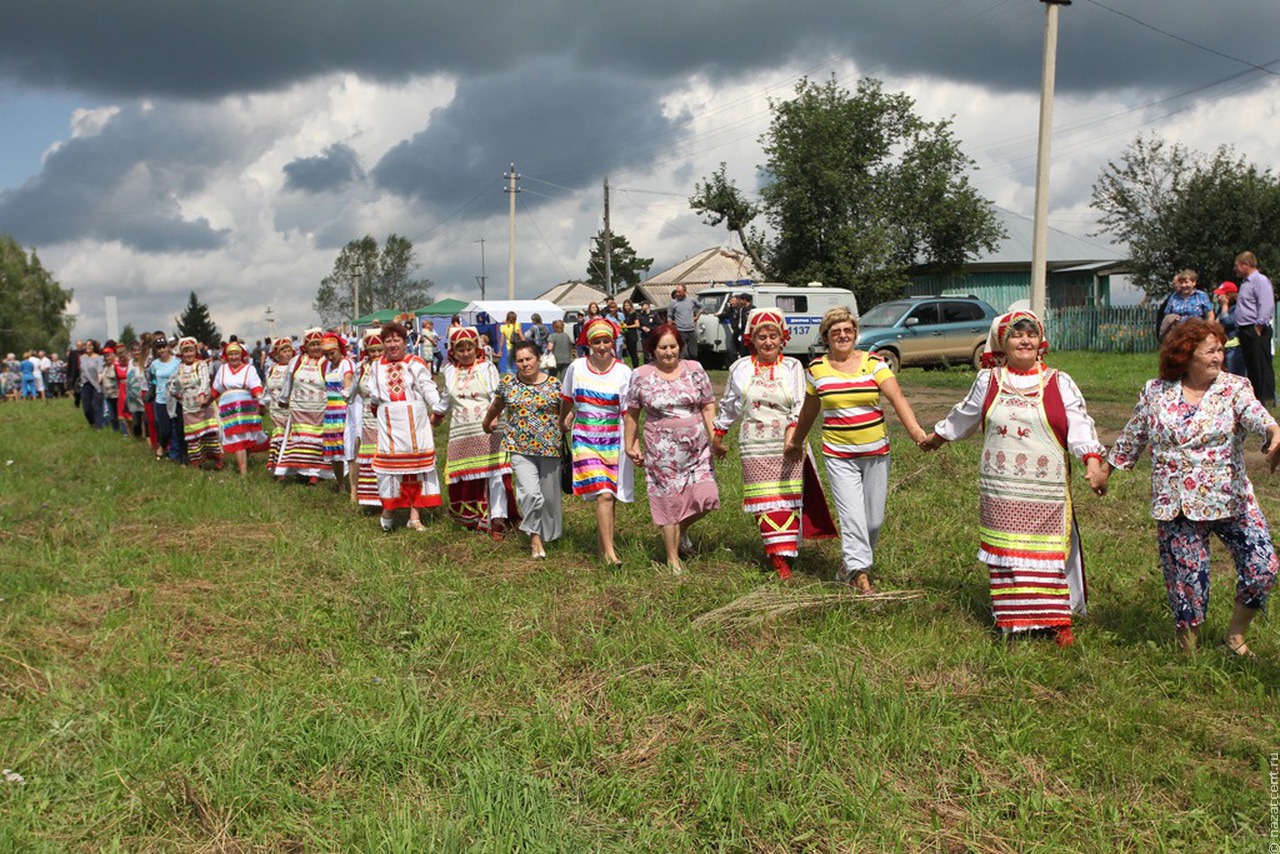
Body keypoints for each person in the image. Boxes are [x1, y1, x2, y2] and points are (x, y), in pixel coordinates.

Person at [922, 310, 1106, 646]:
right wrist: (938, 437)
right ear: (1002, 344)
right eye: (1017, 336)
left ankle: (1055, 622)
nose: (1025, 341)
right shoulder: (988, 380)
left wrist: (1091, 461)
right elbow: (964, 414)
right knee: (1008, 553)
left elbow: (1079, 423)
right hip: (1002, 487)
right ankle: (1013, 621)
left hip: (1046, 489)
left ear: (1040, 342)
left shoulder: (1059, 381)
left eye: (1031, 335)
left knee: (1047, 554)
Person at [1101, 319, 1279, 656]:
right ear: (1186, 354)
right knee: (1187, 580)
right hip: (1177, 501)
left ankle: (1235, 636)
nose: (1218, 357)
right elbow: (1134, 433)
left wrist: (1273, 430)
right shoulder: (1156, 391)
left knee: (1263, 566)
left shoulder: (1235, 387)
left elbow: (1256, 414)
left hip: (1230, 498)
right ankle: (1188, 655)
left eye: (1219, 350)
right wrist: (1106, 471)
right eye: (1210, 351)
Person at [787, 306, 927, 592]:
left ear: (855, 334)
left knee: (873, 521)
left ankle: (848, 565)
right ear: (826, 338)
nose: (842, 335)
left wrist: (916, 433)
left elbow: (896, 397)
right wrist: (796, 441)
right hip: (839, 456)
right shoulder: (817, 369)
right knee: (852, 517)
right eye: (835, 331)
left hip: (876, 453)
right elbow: (809, 410)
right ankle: (858, 575)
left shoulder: (874, 362)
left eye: (847, 330)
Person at [713, 309, 838, 580]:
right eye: (762, 337)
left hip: (788, 443)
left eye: (773, 336)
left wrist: (792, 438)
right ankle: (778, 558)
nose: (768, 342)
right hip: (754, 446)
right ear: (752, 340)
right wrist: (719, 436)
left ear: (783, 338)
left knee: (788, 498)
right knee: (766, 501)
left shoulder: (792, 366)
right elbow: (730, 406)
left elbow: (799, 404)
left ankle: (786, 553)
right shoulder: (740, 368)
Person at [623, 324, 720, 573]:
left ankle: (681, 529)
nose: (669, 352)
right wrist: (629, 443)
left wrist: (715, 436)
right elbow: (633, 413)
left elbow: (708, 405)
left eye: (673, 346)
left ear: (680, 346)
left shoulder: (695, 370)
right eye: (662, 347)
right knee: (669, 504)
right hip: (662, 451)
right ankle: (673, 559)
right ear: (653, 350)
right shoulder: (641, 374)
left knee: (707, 498)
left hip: (697, 448)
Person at [561, 316, 634, 566]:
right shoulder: (577, 367)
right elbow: (568, 399)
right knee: (603, 494)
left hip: (614, 438)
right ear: (588, 344)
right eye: (597, 342)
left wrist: (631, 443)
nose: (602, 346)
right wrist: (563, 421)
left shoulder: (624, 372)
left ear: (612, 342)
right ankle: (611, 555)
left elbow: (629, 412)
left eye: (606, 341)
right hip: (585, 437)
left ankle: (604, 549)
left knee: (610, 496)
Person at [483, 340, 563, 559]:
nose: (525, 364)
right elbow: (496, 406)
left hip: (550, 448)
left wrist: (566, 423)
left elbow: (567, 409)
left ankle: (547, 534)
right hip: (519, 447)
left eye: (529, 359)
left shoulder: (555, 384)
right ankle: (534, 539)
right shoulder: (508, 383)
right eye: (520, 360)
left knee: (547, 498)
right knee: (529, 493)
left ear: (538, 358)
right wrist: (488, 421)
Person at [433, 326, 515, 536]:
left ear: (477, 347)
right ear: (453, 351)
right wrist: (436, 416)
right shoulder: (450, 371)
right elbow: (445, 399)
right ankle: (474, 518)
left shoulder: (487, 367)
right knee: (467, 476)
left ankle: (497, 520)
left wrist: (495, 417)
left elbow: (497, 395)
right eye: (461, 350)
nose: (466, 353)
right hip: (461, 432)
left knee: (496, 474)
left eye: (470, 348)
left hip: (488, 429)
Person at [366, 322, 442, 531]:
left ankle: (414, 517)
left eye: (396, 339)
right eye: (388, 340)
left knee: (416, 468)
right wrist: (374, 407)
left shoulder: (415, 363)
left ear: (404, 341)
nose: (392, 344)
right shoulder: (375, 366)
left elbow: (428, 388)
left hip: (414, 422)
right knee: (389, 470)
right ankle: (388, 510)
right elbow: (374, 394)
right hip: (389, 421)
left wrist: (437, 408)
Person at [275, 329, 333, 485]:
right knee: (297, 440)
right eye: (312, 345)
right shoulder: (296, 361)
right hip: (299, 408)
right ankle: (296, 470)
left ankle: (315, 473)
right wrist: (284, 398)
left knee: (317, 442)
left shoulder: (327, 363)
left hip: (320, 409)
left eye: (318, 344)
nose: (315, 348)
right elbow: (288, 380)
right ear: (306, 346)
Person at [211, 340, 267, 475]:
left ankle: (244, 464)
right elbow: (216, 389)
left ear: (241, 355)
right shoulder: (223, 369)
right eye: (231, 354)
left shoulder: (249, 369)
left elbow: (256, 386)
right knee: (236, 436)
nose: (234, 357)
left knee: (245, 436)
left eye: (236, 354)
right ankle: (243, 472)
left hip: (246, 407)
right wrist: (206, 402)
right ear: (226, 356)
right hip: (228, 408)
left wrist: (260, 401)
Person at [170, 337, 223, 470]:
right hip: (188, 407)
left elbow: (205, 381)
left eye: (190, 351)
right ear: (181, 353)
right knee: (193, 437)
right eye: (185, 351)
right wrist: (176, 394)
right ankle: (198, 462)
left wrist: (202, 396)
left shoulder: (200, 365)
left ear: (195, 351)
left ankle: (217, 458)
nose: (188, 354)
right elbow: (173, 384)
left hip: (203, 405)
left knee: (209, 434)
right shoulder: (180, 368)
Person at [1233, 251, 1275, 408]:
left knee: (1261, 365)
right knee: (1252, 365)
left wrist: (1259, 325)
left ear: (1246, 265)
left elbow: (1266, 303)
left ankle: (1266, 399)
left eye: (1237, 265)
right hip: (1245, 330)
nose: (1235, 269)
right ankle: (1256, 398)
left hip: (1256, 329)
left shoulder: (1259, 280)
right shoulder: (1246, 283)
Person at [348, 330, 383, 509]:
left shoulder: (390, 366)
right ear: (366, 352)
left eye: (379, 350)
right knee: (370, 456)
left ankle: (391, 499)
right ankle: (372, 499)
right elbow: (352, 391)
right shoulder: (361, 368)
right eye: (372, 351)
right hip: (369, 420)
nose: (376, 354)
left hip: (387, 419)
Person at [321, 332, 355, 492]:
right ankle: (341, 484)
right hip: (330, 412)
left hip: (344, 410)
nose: (329, 357)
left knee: (347, 448)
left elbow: (348, 381)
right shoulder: (327, 366)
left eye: (332, 353)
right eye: (326, 354)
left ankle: (353, 484)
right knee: (334, 450)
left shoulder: (346, 364)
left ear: (339, 349)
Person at [262, 337, 294, 474]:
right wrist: (262, 403)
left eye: (289, 350)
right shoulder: (272, 369)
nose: (287, 354)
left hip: (290, 411)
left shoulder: (294, 367)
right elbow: (267, 389)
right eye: (284, 351)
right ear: (276, 354)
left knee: (289, 439)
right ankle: (278, 467)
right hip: (275, 411)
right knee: (278, 438)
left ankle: (289, 468)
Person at [147, 338, 183, 461]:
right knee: (166, 429)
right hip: (161, 399)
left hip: (174, 399)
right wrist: (153, 388)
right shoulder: (155, 364)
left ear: (168, 347)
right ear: (156, 350)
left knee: (177, 429)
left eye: (163, 347)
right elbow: (152, 378)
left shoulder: (177, 362)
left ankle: (175, 455)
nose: (162, 350)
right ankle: (162, 446)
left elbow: (180, 377)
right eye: (159, 348)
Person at [1156, 269, 1214, 340]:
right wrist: (1172, 318)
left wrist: (1208, 330)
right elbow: (1166, 315)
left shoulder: (1201, 296)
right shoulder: (1174, 297)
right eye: (1181, 283)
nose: (1183, 285)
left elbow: (1210, 315)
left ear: (1194, 283)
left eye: (1186, 282)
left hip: (1197, 333)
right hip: (1178, 334)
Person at [1214, 281, 1247, 377]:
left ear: (1228, 296)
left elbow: (1228, 322)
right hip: (1224, 345)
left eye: (1221, 295)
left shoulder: (1237, 308)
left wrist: (1224, 306)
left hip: (1234, 347)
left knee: (1234, 374)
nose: (1218, 298)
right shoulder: (1221, 309)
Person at [667, 285, 699, 360]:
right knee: (682, 352)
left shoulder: (690, 302)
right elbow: (669, 316)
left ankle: (693, 367)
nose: (677, 295)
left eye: (679, 292)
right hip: (680, 330)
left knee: (693, 353)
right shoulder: (673, 304)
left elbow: (697, 311)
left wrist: (696, 318)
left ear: (685, 292)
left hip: (691, 330)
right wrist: (669, 328)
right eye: (676, 293)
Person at [79, 340, 104, 429]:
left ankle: (99, 426)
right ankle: (92, 422)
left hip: (96, 384)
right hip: (85, 384)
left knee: (97, 406)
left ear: (94, 347)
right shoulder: (82, 358)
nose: (88, 347)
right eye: (86, 345)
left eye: (90, 345)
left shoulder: (98, 358)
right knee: (86, 408)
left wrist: (100, 377)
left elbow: (100, 370)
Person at [621, 300, 641, 369]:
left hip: (632, 335)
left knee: (634, 353)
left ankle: (636, 367)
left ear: (630, 305)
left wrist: (627, 326)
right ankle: (634, 366)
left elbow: (637, 325)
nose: (626, 307)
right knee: (630, 352)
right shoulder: (626, 315)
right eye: (625, 306)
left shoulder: (634, 314)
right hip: (627, 335)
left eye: (627, 305)